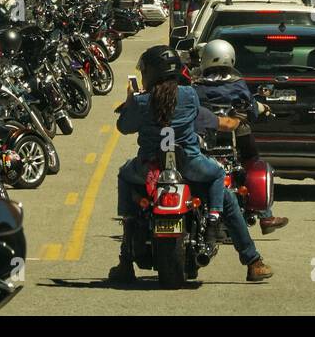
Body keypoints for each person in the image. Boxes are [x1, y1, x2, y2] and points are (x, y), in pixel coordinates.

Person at [109, 46, 272, 283]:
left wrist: (130, 99)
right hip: (190, 165)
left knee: (124, 174)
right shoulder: (188, 95)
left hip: (150, 169)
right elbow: (200, 118)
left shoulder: (142, 101)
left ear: (152, 72)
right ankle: (249, 258)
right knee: (220, 181)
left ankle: (125, 259)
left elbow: (123, 127)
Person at [193, 40, 288, 234]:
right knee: (252, 162)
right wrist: (262, 110)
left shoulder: (196, 85)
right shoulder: (236, 84)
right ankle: (265, 216)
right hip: (235, 133)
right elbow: (251, 108)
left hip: (204, 136)